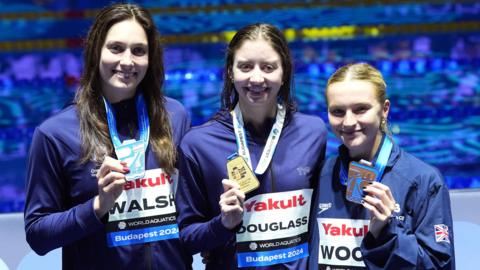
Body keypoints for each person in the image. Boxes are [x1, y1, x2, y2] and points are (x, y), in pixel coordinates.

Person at [24, 3, 192, 269]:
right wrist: (99, 206)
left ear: (151, 58)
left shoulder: (175, 117)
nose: (127, 61)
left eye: (139, 51)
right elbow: (38, 235)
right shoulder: (55, 134)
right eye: (116, 48)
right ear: (95, 52)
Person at [175, 23, 327, 269]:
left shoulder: (312, 132)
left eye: (268, 67)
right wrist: (223, 224)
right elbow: (187, 238)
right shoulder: (198, 144)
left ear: (284, 72)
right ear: (230, 72)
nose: (257, 78)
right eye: (245, 67)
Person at [313, 63, 455, 269]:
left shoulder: (423, 180)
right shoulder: (322, 174)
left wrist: (387, 232)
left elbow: (439, 265)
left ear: (384, 110)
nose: (349, 122)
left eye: (361, 109)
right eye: (338, 111)